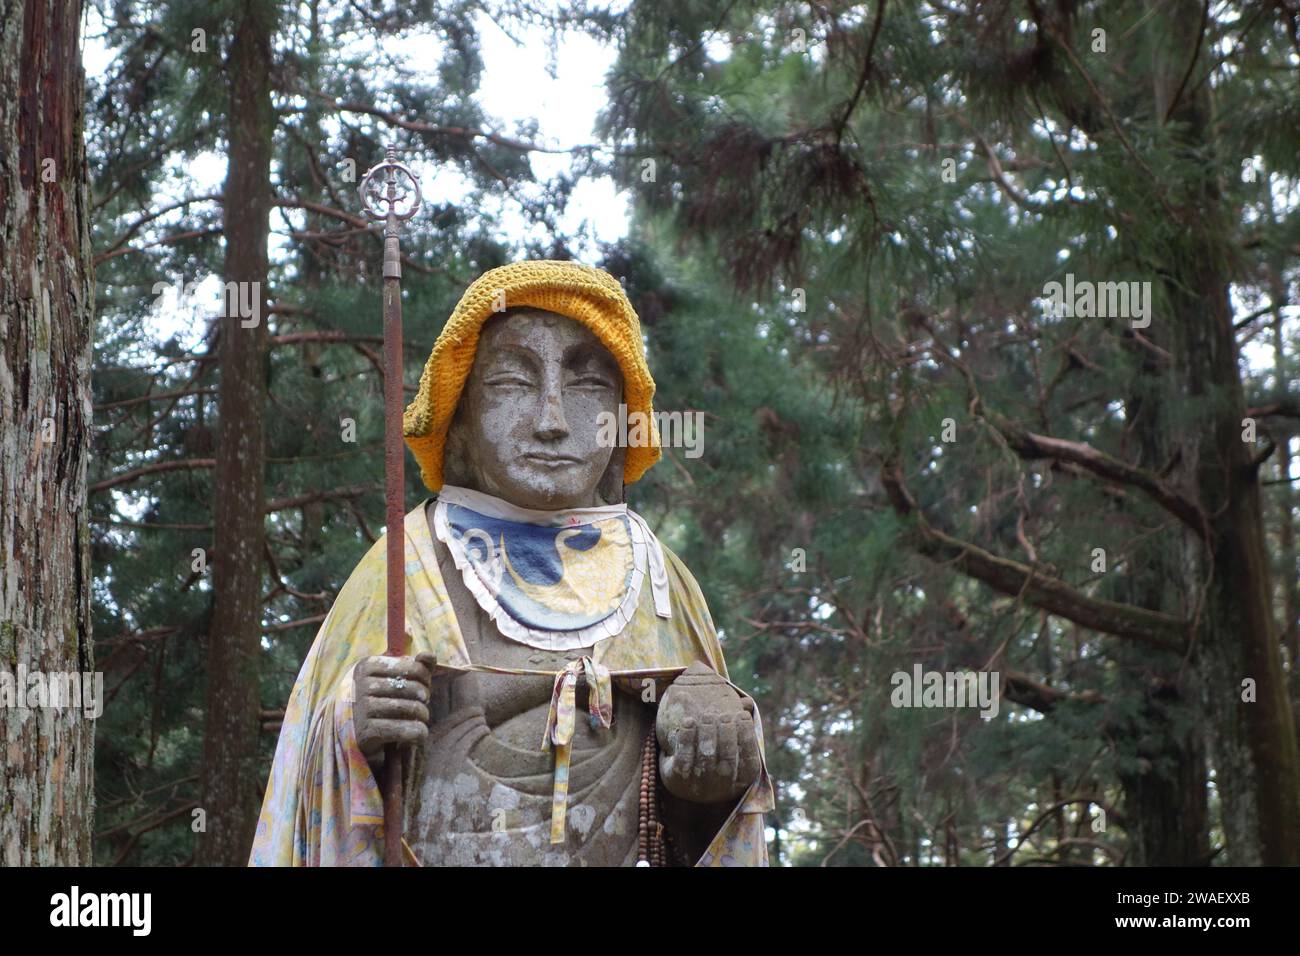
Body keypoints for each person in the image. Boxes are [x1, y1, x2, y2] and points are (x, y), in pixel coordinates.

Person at [250, 260, 773, 866]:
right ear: (461, 420)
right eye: (511, 382)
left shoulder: (659, 581)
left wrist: (712, 755)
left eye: (587, 386)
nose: (552, 420)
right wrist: (350, 722)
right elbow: (311, 783)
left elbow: (698, 823)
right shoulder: (406, 563)